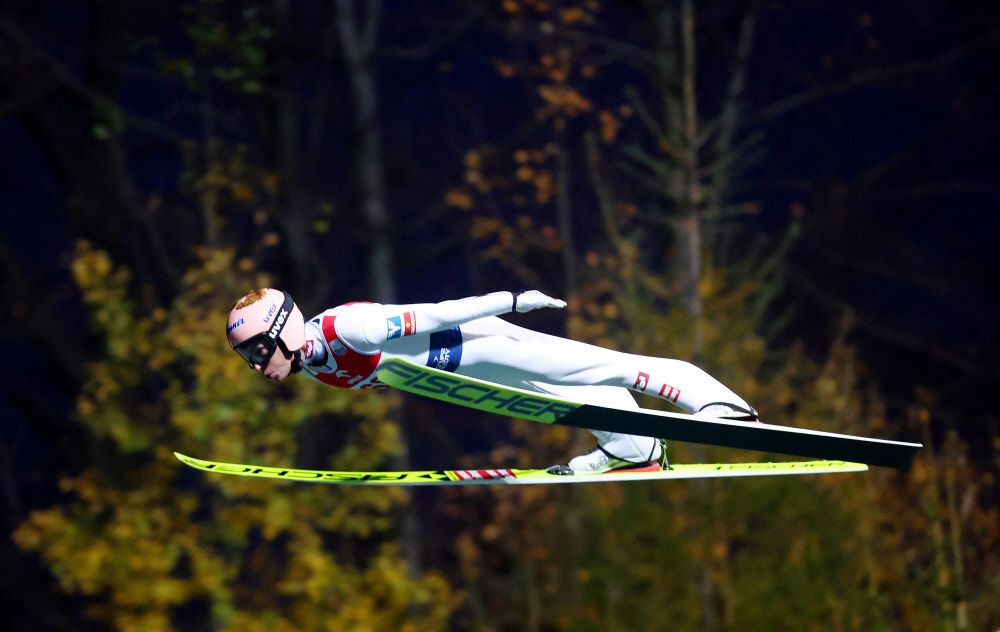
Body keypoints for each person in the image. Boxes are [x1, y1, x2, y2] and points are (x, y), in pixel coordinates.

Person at [226, 288, 759, 475]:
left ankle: (717, 403)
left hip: (480, 343)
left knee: (598, 367)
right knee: (570, 397)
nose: (255, 364)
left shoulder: (350, 329)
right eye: (246, 356)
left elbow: (436, 314)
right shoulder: (315, 363)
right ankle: (637, 449)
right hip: (471, 374)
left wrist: (511, 301)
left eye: (256, 349)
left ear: (282, 329)